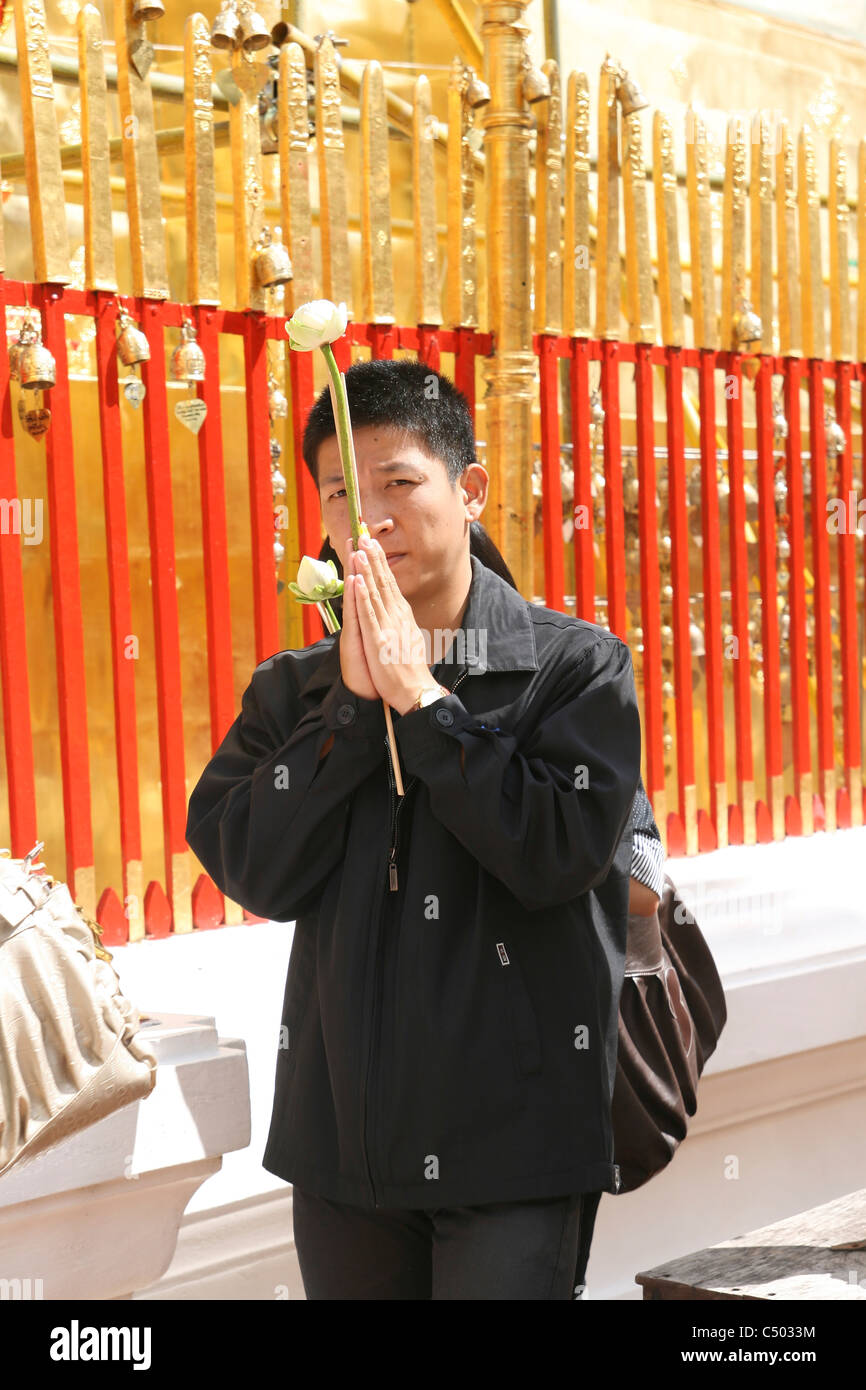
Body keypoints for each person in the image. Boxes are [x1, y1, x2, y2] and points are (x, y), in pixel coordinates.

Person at [185, 359, 642, 1299]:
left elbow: (556, 855)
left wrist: (423, 704)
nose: (371, 518)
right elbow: (252, 867)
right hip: (343, 1153)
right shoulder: (296, 687)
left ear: (469, 491)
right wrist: (352, 710)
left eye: (401, 483)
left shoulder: (573, 670)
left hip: (517, 1155)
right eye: (343, 492)